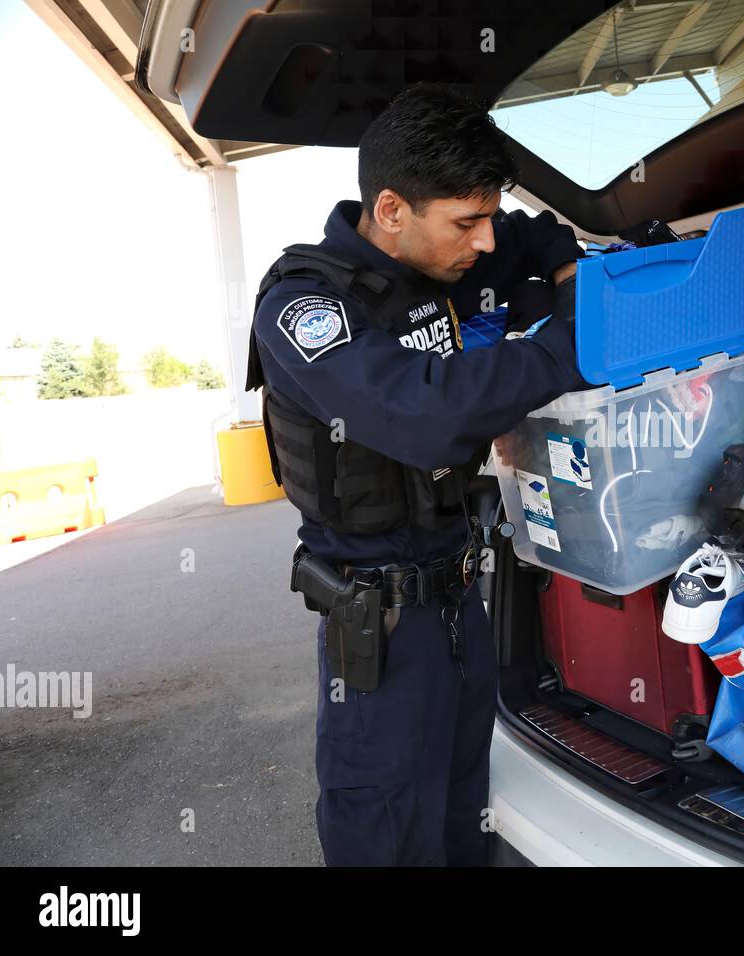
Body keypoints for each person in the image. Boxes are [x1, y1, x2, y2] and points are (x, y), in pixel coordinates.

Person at [245, 83, 588, 866]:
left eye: (488, 216)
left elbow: (539, 237)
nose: (487, 242)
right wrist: (569, 347)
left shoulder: (442, 266)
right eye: (467, 223)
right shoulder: (307, 308)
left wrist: (566, 273)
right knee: (389, 831)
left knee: (466, 819)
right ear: (393, 209)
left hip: (463, 603)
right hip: (381, 629)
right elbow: (422, 415)